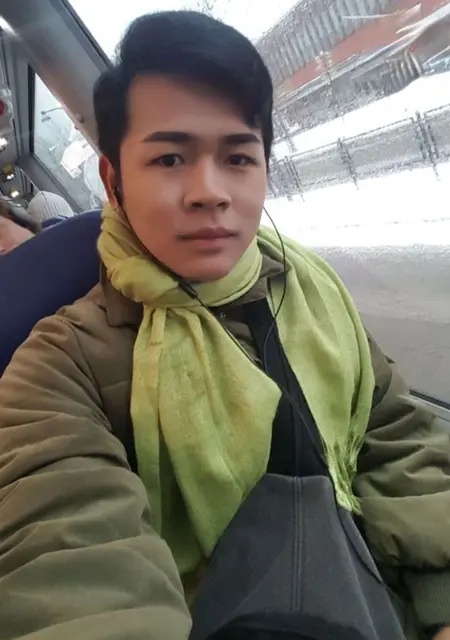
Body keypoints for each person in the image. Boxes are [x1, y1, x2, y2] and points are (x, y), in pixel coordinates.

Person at [0, 10, 449, 640]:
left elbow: (398, 439)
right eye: (170, 158)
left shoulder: (311, 292)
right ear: (113, 179)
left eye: (238, 157)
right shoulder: (58, 368)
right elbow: (73, 564)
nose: (209, 192)